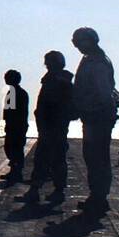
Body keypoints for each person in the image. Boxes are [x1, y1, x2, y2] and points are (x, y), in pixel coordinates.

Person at [71, 27, 117, 219]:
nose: (77, 45)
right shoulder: (93, 59)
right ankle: (97, 196)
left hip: (96, 117)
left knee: (96, 157)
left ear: (90, 40)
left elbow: (103, 92)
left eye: (80, 41)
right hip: (94, 116)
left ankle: (98, 198)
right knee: (95, 157)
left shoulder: (97, 62)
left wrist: (96, 111)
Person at [24, 52, 73, 204]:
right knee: (50, 159)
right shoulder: (58, 81)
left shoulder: (56, 82)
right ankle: (42, 190)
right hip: (52, 127)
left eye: (48, 62)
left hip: (52, 127)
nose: (46, 65)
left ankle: (41, 191)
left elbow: (52, 107)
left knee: (46, 159)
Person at [0, 70, 29, 183]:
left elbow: (11, 111)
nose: (5, 79)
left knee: (13, 149)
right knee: (13, 149)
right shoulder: (18, 92)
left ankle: (16, 172)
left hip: (15, 126)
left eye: (7, 77)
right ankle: (15, 171)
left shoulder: (14, 93)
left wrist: (9, 123)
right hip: (17, 125)